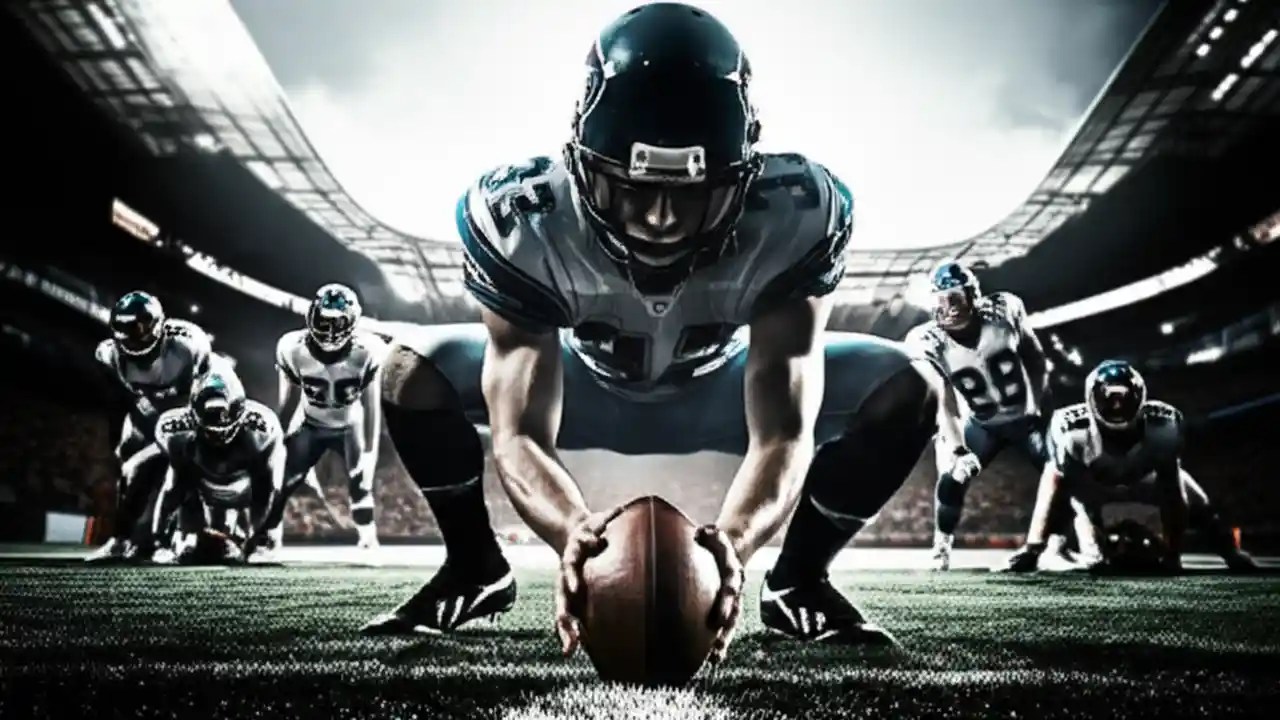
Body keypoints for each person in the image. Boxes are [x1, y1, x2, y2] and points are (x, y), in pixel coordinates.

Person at [362, 3, 974, 660]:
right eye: (631, 188)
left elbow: (783, 429)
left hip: (721, 390)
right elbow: (518, 433)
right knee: (406, 370)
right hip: (584, 388)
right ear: (581, 164)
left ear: (742, 174)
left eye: (690, 193)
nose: (658, 218)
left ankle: (799, 582)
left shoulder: (799, 214)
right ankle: (475, 566)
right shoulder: (521, 221)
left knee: (910, 388)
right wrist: (573, 532)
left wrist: (731, 551)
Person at [905, 262, 1094, 570]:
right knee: (952, 478)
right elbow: (944, 399)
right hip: (982, 423)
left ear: (973, 295)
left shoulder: (1004, 310)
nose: (949, 307)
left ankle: (1059, 547)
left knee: (1061, 475)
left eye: (956, 297)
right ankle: (941, 546)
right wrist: (957, 449)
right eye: (941, 299)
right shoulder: (927, 339)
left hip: (1026, 417)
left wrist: (1036, 401)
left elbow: (1035, 356)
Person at [1000, 360, 1257, 574]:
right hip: (1093, 486)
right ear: (1092, 399)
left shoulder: (1164, 425)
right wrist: (1033, 546)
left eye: (1123, 397)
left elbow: (1172, 491)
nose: (1117, 405)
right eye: (1108, 397)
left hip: (1145, 478)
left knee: (1197, 500)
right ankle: (1057, 546)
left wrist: (1172, 554)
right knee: (1093, 555)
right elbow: (1055, 484)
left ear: (1140, 396)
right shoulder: (1069, 430)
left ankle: (1229, 551)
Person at [261, 283, 387, 553]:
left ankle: (368, 538)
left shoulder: (368, 350)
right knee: (282, 479)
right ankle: (269, 534)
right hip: (311, 424)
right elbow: (290, 400)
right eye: (324, 320)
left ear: (351, 322)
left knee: (360, 482)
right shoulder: (292, 348)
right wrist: (279, 440)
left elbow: (371, 403)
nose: (329, 330)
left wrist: (368, 452)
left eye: (337, 322)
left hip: (349, 425)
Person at [87, 291, 211, 562]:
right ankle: (121, 540)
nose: (136, 334)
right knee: (133, 475)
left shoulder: (188, 345)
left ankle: (175, 540)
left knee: (180, 473)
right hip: (146, 418)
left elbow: (205, 390)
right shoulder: (108, 355)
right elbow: (117, 403)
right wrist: (118, 443)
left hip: (186, 415)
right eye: (127, 328)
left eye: (142, 325)